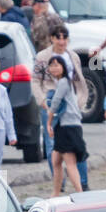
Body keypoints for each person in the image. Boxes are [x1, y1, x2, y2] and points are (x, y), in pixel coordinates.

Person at [34, 26, 89, 189]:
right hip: (51, 97)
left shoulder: (73, 56)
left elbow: (79, 80)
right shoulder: (42, 57)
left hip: (70, 103)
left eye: (65, 37)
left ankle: (83, 183)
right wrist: (42, 100)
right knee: (52, 144)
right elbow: (35, 80)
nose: (61, 41)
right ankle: (60, 184)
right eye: (58, 37)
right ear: (52, 38)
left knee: (77, 143)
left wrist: (80, 100)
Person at [46, 55, 87, 197]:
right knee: (56, 160)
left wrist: (49, 122)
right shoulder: (63, 83)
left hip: (68, 126)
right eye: (52, 65)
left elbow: (55, 103)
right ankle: (55, 193)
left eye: (57, 65)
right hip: (65, 126)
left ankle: (80, 194)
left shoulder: (64, 82)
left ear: (63, 67)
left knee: (70, 163)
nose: (54, 68)